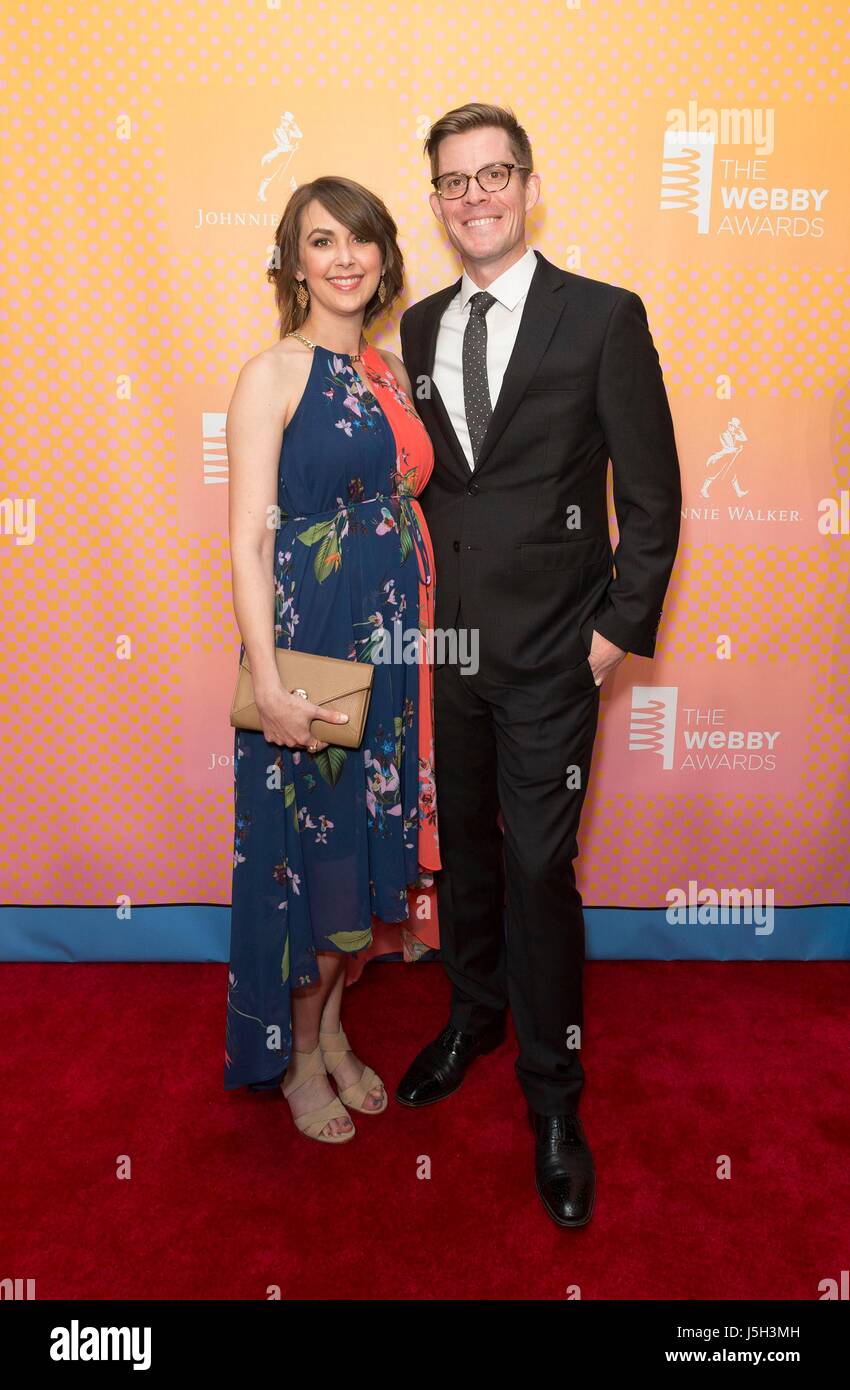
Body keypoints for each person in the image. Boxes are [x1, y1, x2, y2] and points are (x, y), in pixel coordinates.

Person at [396, 103, 682, 1225]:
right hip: (449, 646)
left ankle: (554, 1095)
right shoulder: (415, 329)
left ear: (528, 185)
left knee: (535, 874)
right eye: (454, 182)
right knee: (464, 851)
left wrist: (610, 636)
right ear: (434, 200)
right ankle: (474, 1015)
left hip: (556, 656)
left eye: (494, 174)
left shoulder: (603, 317)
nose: (475, 196)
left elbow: (652, 501)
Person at [224, 176, 441, 1143]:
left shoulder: (389, 371)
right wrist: (268, 681)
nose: (345, 258)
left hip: (391, 646)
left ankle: (339, 1032)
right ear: (295, 261)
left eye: (360, 240)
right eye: (322, 241)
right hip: (312, 648)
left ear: (384, 257)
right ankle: (299, 1056)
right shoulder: (273, 374)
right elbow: (248, 542)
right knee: (312, 856)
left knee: (359, 847)